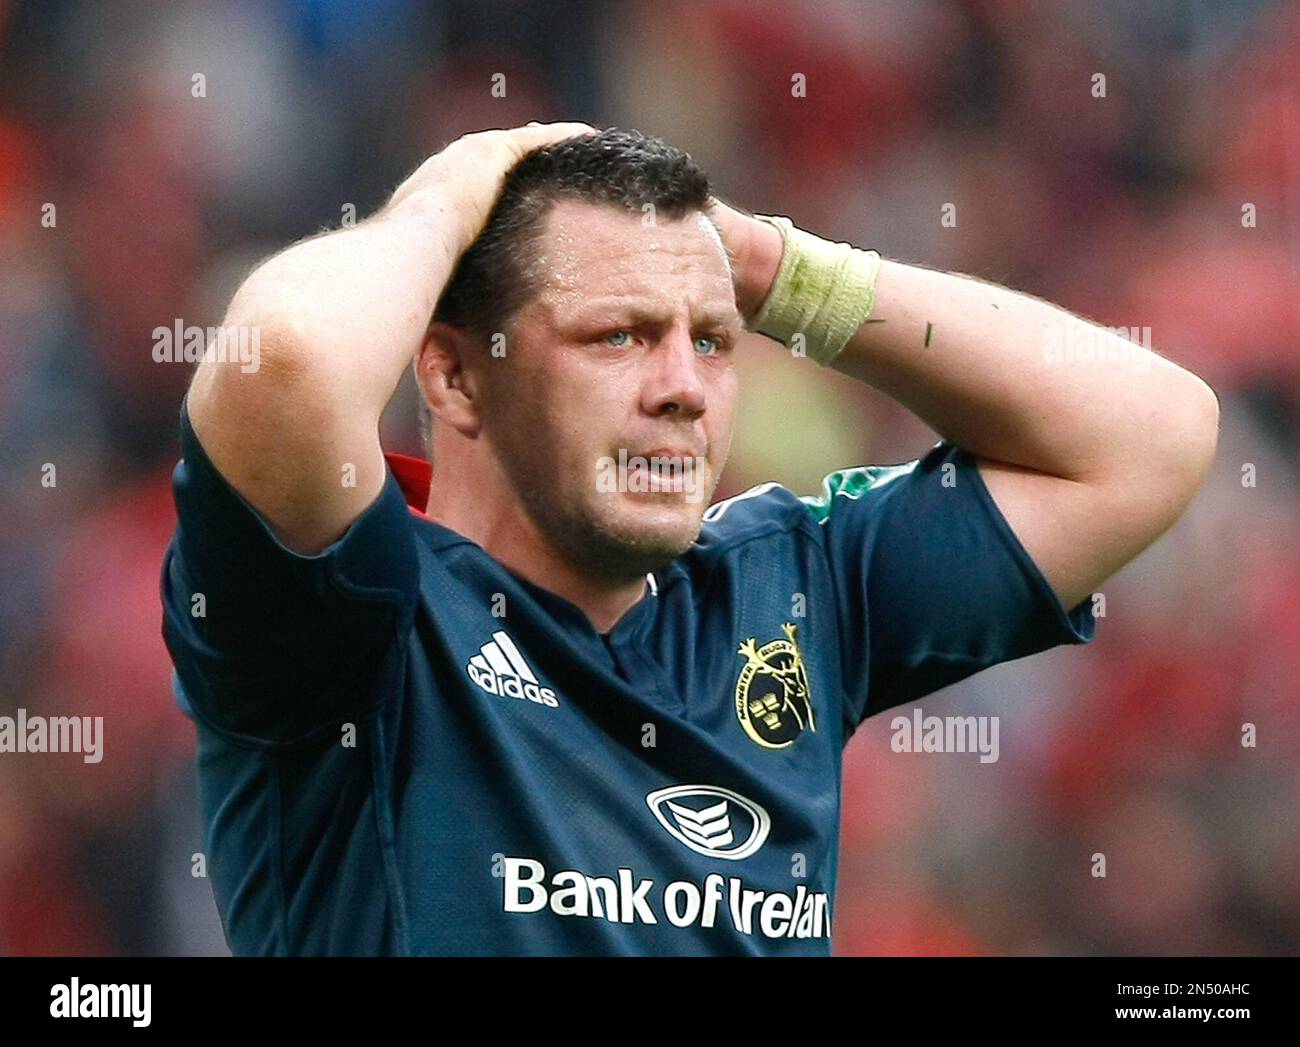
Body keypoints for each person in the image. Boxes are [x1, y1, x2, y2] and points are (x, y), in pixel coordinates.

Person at [160, 122, 1219, 955]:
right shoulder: (354, 614)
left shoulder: (794, 592)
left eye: (711, 342)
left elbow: (1150, 437)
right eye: (616, 335)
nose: (681, 390)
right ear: (452, 374)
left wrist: (769, 268)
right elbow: (284, 358)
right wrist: (449, 198)